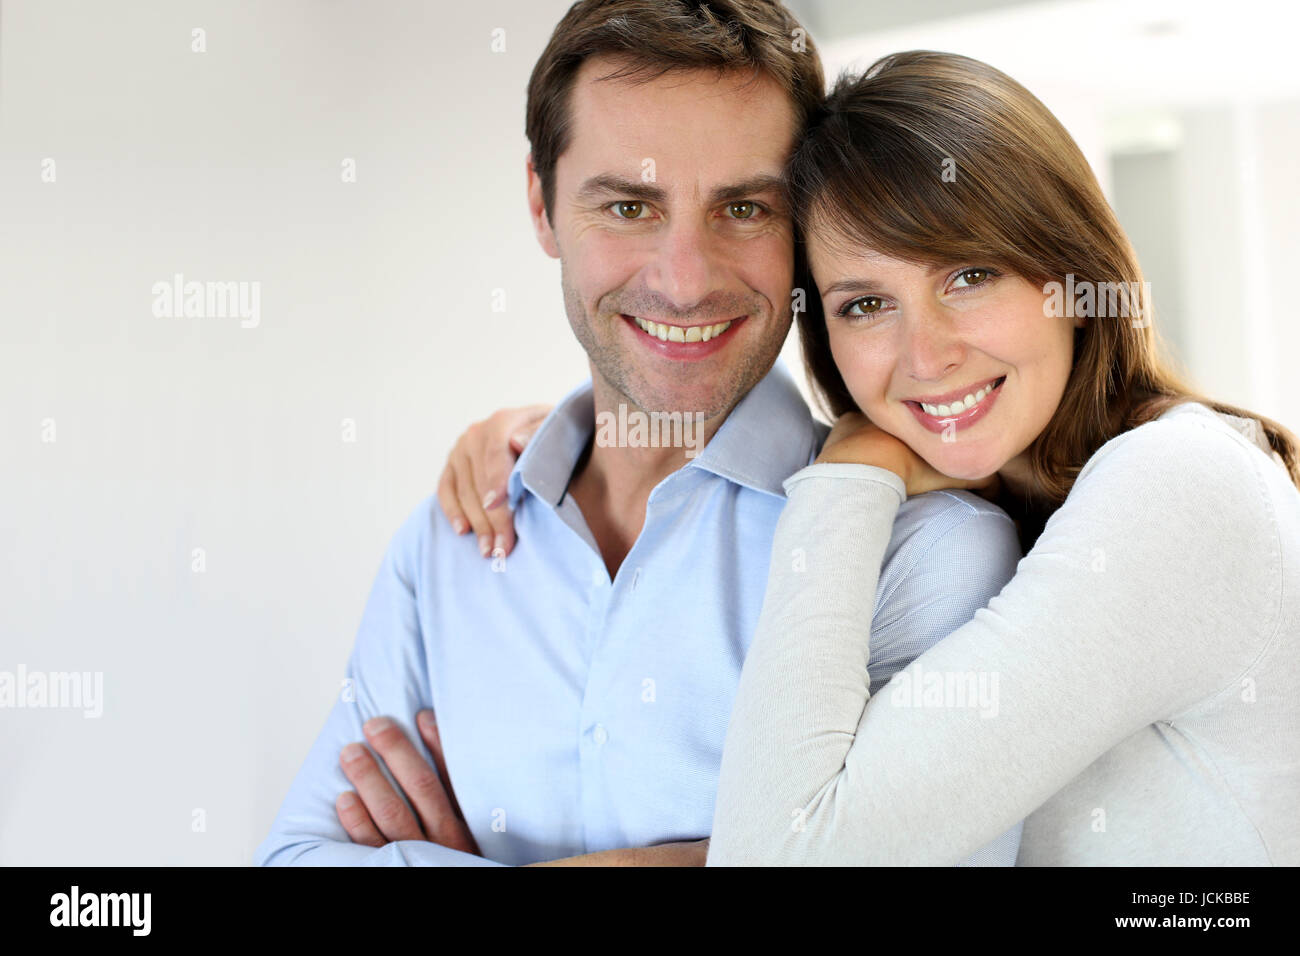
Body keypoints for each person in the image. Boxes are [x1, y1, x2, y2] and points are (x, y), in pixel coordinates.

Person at [254, 3, 1023, 867]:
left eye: (743, 209)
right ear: (542, 205)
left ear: (805, 229)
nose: (685, 281)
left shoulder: (926, 555)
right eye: (628, 206)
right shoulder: (448, 543)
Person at [705, 51, 1300, 865]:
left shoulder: (1177, 485)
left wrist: (850, 468)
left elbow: (781, 856)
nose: (926, 355)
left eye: (970, 275)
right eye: (867, 304)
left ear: (1070, 271)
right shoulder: (1010, 509)